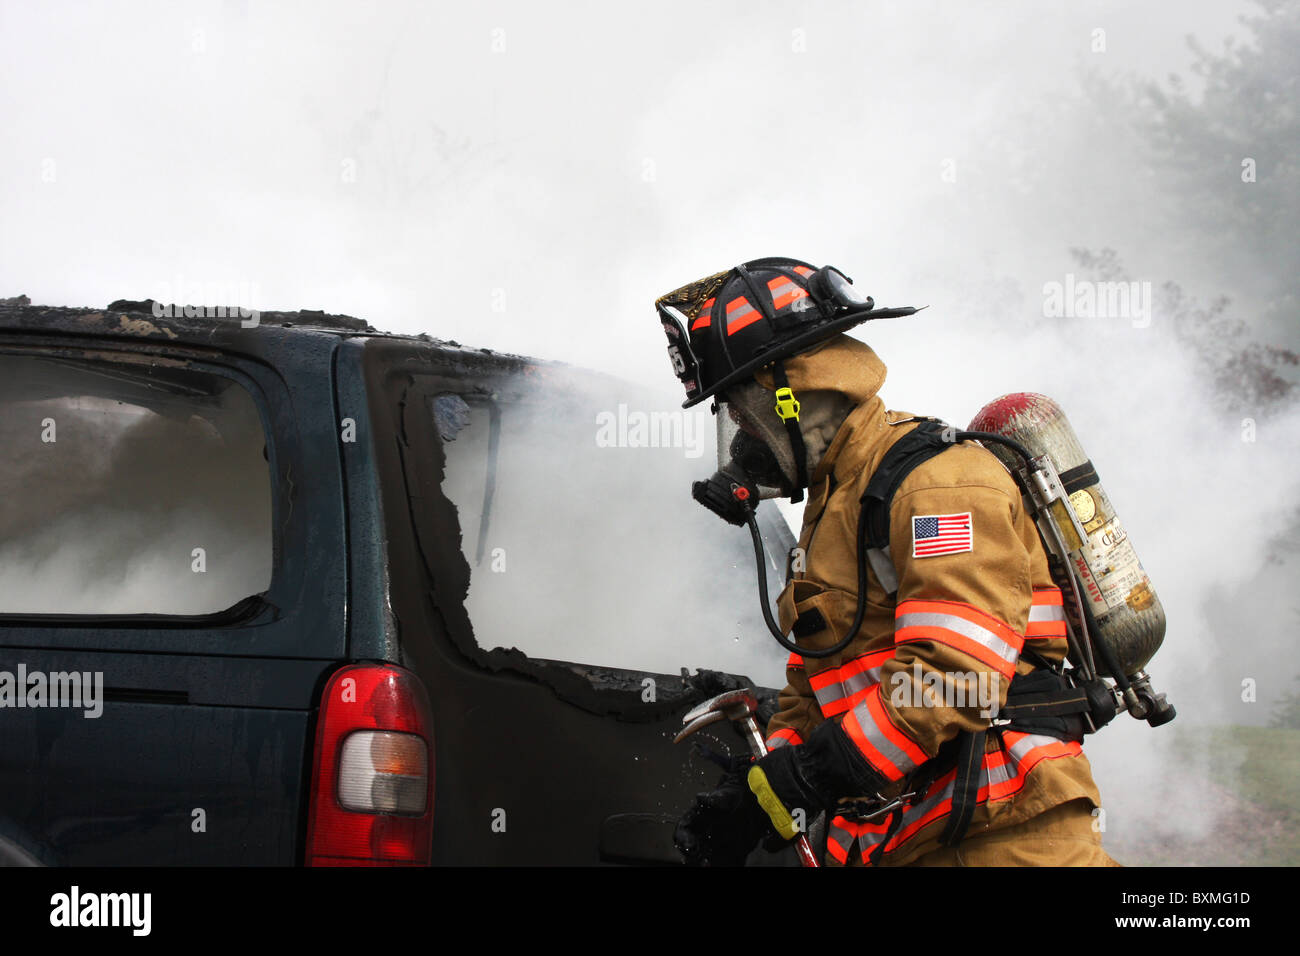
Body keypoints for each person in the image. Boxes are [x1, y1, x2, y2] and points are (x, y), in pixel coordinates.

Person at [658, 257, 1118, 867]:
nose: (740, 437)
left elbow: (956, 670)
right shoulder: (834, 509)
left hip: (1002, 835)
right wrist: (760, 788)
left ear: (788, 396)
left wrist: (809, 776)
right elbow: (818, 688)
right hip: (909, 843)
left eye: (741, 411)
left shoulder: (937, 484)